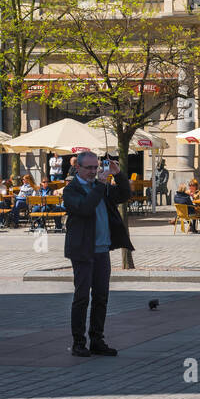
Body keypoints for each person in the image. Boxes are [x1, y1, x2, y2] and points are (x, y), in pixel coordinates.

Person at [62, 152, 132, 357]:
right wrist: (101, 184)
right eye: (89, 168)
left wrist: (118, 175)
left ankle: (97, 339)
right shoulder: (71, 190)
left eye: (96, 167)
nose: (94, 171)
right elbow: (85, 208)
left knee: (101, 296)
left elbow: (124, 194)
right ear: (79, 168)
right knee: (82, 297)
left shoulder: (101, 187)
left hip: (102, 249)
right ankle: (78, 342)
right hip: (83, 251)